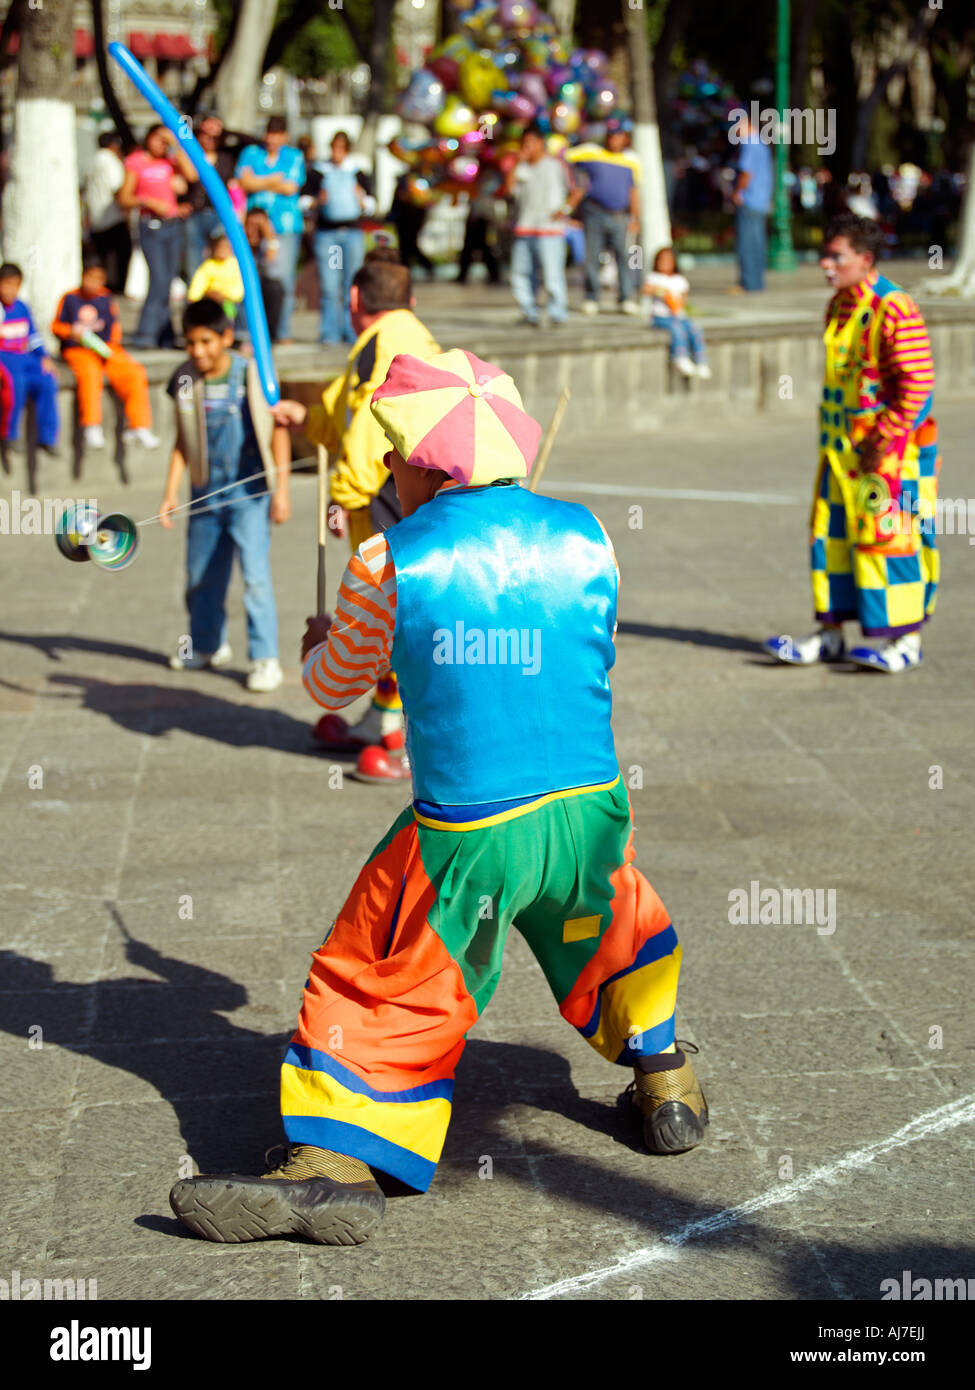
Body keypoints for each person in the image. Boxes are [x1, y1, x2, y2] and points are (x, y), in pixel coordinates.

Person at [168, 346, 708, 1247]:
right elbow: (595, 642)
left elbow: (334, 686)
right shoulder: (589, 533)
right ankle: (667, 1080)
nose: (384, 467)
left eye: (394, 451)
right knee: (609, 925)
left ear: (432, 462)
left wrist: (317, 643)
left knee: (381, 969)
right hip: (591, 806)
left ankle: (334, 1160)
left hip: (469, 826)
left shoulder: (389, 558)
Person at [271, 253, 439, 779]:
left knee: (396, 621)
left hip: (388, 496)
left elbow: (371, 425)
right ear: (409, 300)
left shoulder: (382, 345)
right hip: (397, 493)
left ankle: (408, 740)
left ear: (353, 301)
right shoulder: (407, 337)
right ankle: (381, 722)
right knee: (394, 620)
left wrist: (343, 495)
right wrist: (307, 419)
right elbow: (346, 412)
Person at [765, 214, 940, 673]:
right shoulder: (840, 305)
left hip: (884, 456)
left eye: (836, 257)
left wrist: (883, 440)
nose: (826, 264)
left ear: (864, 259)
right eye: (825, 255)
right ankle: (831, 634)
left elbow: (918, 383)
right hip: (838, 454)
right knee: (830, 539)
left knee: (890, 540)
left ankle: (905, 640)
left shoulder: (894, 306)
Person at [160, 298, 292, 693]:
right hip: (203, 494)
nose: (198, 351)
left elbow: (280, 431)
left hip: (249, 494)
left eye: (206, 342)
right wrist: (170, 494)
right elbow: (182, 441)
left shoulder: (252, 375)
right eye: (191, 343)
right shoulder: (185, 380)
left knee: (254, 578)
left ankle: (265, 658)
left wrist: (281, 491)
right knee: (200, 575)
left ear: (226, 338)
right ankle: (206, 644)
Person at [51, 256, 159, 452]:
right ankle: (91, 425)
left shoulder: (107, 299)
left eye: (98, 279)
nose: (93, 283)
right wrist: (70, 332)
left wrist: (110, 346)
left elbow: (114, 328)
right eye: (90, 277)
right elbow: (56, 326)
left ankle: (139, 425)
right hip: (78, 349)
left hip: (105, 348)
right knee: (90, 375)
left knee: (134, 372)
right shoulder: (69, 298)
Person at [118, 124, 198, 347]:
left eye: (164, 141)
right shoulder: (136, 161)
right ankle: (146, 333)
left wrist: (174, 144)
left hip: (172, 225)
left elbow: (191, 176)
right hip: (150, 224)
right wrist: (148, 201)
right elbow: (124, 197)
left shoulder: (169, 162)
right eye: (158, 139)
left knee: (169, 279)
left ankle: (166, 335)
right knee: (159, 279)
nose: (160, 144)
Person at [235, 117, 305, 345]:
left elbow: (290, 187)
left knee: (281, 280)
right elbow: (243, 183)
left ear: (285, 136)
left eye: (277, 134)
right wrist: (273, 180)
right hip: (252, 228)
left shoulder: (294, 156)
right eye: (269, 133)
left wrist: (258, 181)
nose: (272, 139)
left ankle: (280, 331)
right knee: (250, 278)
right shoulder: (251, 153)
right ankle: (249, 331)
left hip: (283, 227)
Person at [566, 120, 641, 315]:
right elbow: (565, 157)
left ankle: (626, 298)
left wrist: (635, 217)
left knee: (624, 258)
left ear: (624, 138)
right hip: (594, 213)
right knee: (591, 257)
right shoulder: (592, 153)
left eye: (618, 135)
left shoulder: (632, 160)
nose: (614, 139)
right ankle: (591, 297)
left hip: (619, 216)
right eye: (611, 135)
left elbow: (634, 190)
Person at [505, 124, 570, 327]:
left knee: (552, 275)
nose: (527, 147)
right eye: (524, 144)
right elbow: (509, 190)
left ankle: (557, 313)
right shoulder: (522, 168)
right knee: (520, 273)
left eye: (530, 143)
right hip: (525, 228)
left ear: (541, 143)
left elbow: (576, 189)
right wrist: (516, 163)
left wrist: (565, 211)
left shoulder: (556, 165)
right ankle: (528, 312)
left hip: (550, 230)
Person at [313, 131, 369, 345]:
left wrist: (361, 199)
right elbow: (305, 201)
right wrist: (318, 201)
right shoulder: (320, 172)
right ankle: (330, 332)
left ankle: (352, 330)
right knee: (331, 285)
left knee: (351, 285)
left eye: (341, 148)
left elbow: (371, 202)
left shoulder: (357, 172)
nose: (337, 153)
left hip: (352, 235)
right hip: (330, 237)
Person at [0, 261, 60, 453]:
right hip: (4, 357)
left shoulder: (22, 308)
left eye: (14, 285)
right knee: (17, 383)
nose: (10, 290)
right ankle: (9, 434)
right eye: (5, 284)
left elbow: (33, 337)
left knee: (47, 380)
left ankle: (47, 437)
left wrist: (44, 356)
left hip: (23, 356)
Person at [641, 246, 710, 379]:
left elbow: (682, 301)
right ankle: (680, 357)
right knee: (677, 330)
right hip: (661, 317)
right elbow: (645, 289)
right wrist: (661, 292)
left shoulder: (680, 280)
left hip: (678, 315)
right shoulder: (653, 277)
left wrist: (675, 301)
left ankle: (701, 361)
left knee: (695, 329)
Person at [184, 114, 240, 278]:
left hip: (219, 214)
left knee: (222, 258)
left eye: (215, 137)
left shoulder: (226, 157)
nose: (210, 139)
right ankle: (198, 300)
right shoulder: (190, 156)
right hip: (194, 214)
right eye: (205, 134)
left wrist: (223, 129)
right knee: (194, 262)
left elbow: (252, 141)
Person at [83, 131, 132, 295]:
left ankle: (100, 288)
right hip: (112, 216)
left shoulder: (91, 161)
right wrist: (126, 211)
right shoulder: (110, 161)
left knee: (102, 257)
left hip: (96, 217)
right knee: (119, 257)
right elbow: (117, 187)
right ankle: (115, 289)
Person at [730, 118, 772, 293]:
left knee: (746, 243)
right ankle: (757, 282)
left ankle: (748, 283)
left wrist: (737, 191)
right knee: (758, 243)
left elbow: (747, 172)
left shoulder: (749, 143)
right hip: (761, 200)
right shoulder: (762, 144)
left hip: (749, 199)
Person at [243, 209, 285, 343]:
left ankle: (270, 336)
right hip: (236, 288)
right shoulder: (235, 242)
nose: (256, 229)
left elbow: (272, 265)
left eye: (260, 226)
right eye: (252, 224)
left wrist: (268, 235)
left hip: (261, 286)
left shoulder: (266, 244)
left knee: (275, 287)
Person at [187, 232, 244, 325]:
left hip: (229, 301)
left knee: (235, 310)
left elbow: (238, 286)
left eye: (226, 248)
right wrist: (194, 296)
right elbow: (199, 281)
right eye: (220, 247)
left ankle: (239, 332)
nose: (222, 250)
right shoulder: (208, 265)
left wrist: (226, 295)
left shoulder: (235, 265)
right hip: (211, 298)